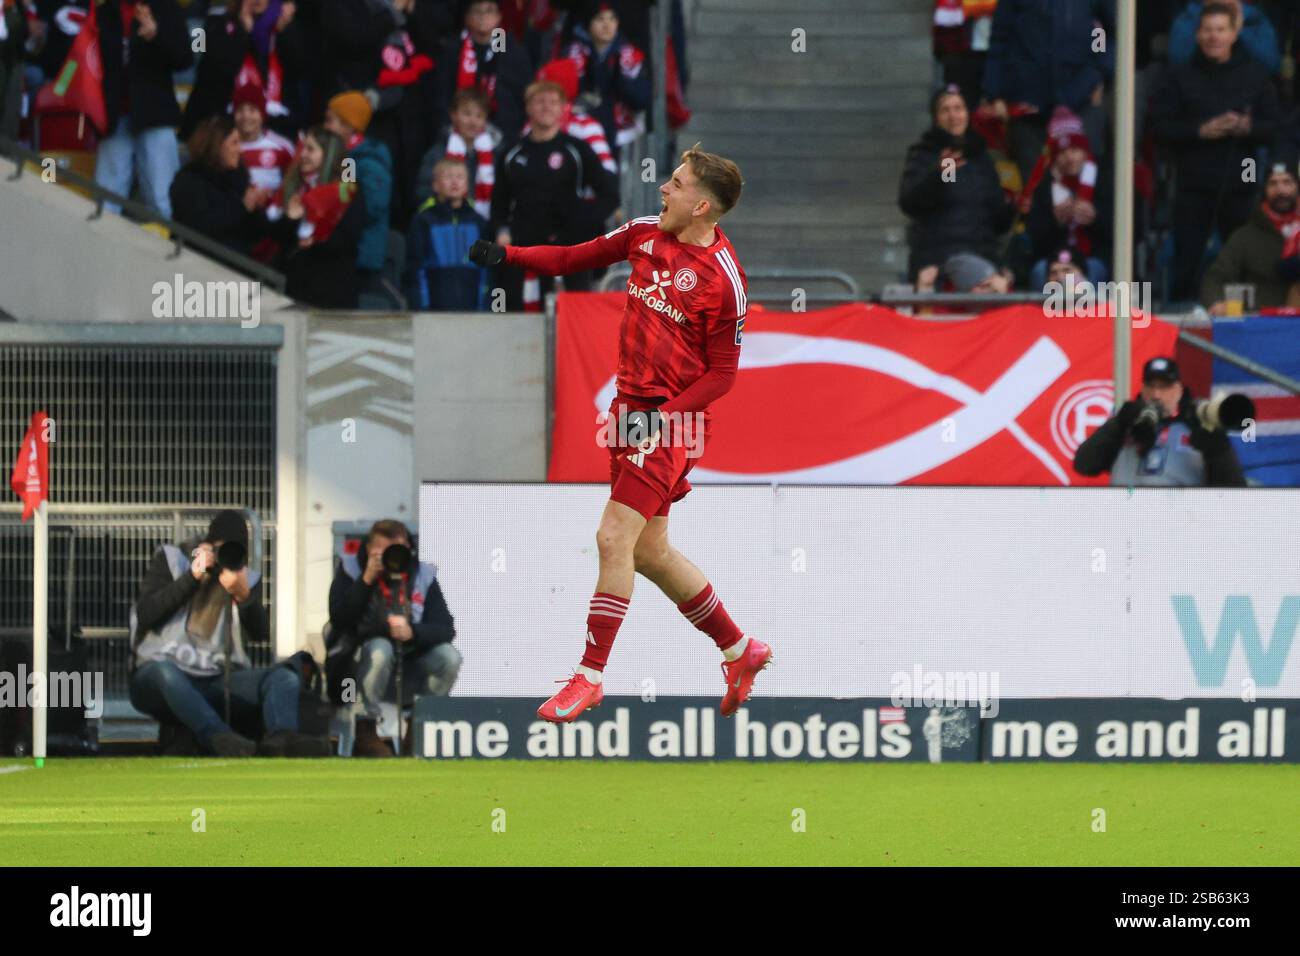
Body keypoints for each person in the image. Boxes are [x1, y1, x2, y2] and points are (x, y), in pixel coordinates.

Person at [468, 145, 772, 722]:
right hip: (629, 412)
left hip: (672, 421)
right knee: (649, 552)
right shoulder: (643, 233)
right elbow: (569, 258)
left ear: (701, 206)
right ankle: (739, 650)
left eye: (676, 183)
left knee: (612, 538)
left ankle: (589, 676)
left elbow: (723, 375)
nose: (664, 189)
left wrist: (664, 416)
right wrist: (508, 255)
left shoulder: (724, 279)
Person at [129, 510, 330, 757]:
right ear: (207, 544)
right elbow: (147, 613)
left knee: (284, 676)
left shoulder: (243, 578)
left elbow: (260, 634)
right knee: (165, 672)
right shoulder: (174, 560)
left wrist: (244, 596)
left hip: (215, 679)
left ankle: (282, 738)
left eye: (233, 552)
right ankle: (218, 736)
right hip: (159, 676)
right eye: (219, 549)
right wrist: (192, 576)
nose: (224, 558)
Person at [1150, 1, 1283, 302]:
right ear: (1197, 34)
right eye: (1208, 30)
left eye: (1221, 30)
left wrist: (1248, 128)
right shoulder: (1179, 75)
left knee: (1247, 266)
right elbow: (1160, 127)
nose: (1214, 37)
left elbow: (1275, 126)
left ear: (1234, 34)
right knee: (1186, 265)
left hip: (1243, 180)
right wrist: (1200, 130)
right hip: (1193, 184)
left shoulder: (1255, 73)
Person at [326, 519, 460, 757]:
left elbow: (446, 628)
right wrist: (367, 578)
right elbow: (340, 621)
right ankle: (365, 729)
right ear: (369, 548)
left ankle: (419, 726)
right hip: (353, 677)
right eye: (384, 550)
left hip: (409, 667)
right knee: (380, 649)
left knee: (449, 657)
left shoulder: (423, 575)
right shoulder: (351, 569)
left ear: (408, 547)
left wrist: (413, 632)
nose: (393, 557)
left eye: (398, 549)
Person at [489, 79, 618, 309]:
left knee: (574, 311)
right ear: (528, 108)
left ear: (562, 109)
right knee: (517, 309)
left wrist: (583, 225)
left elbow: (609, 196)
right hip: (524, 245)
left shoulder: (576, 150)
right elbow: (499, 202)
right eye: (540, 102)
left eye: (552, 102)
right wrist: (502, 231)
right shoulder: (512, 153)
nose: (546, 107)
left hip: (569, 246)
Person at [979, 0, 1114, 180]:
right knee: (1034, 184)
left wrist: (1097, 71)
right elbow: (1000, 38)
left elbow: (1108, 32)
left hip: (1079, 99)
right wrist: (994, 93)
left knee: (1083, 183)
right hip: (1028, 105)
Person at [899, 85, 1014, 282]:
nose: (953, 116)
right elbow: (911, 203)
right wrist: (940, 175)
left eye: (958, 108)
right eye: (945, 110)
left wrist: (1012, 206)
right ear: (936, 118)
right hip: (939, 266)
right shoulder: (924, 153)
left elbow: (997, 219)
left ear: (967, 114)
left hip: (982, 263)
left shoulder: (981, 157)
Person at [1073, 357, 1247, 486]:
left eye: (1164, 387)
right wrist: (1118, 424)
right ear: (1143, 388)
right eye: (1151, 386)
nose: (1156, 394)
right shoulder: (1127, 423)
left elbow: (1233, 490)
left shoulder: (1197, 423)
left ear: (1178, 390)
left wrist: (1219, 451)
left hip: (1179, 517)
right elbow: (1084, 465)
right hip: (1124, 515)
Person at [93, 0, 193, 220]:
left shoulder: (167, 8)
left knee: (162, 201)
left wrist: (156, 36)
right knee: (106, 201)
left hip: (155, 115)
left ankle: (164, 244)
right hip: (115, 116)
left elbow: (185, 59)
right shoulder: (104, 11)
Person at [269, 125, 367, 308]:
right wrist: (291, 218)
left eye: (311, 149)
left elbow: (349, 238)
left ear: (328, 154)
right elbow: (277, 234)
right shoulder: (294, 185)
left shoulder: (347, 191)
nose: (303, 154)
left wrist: (316, 238)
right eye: (303, 148)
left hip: (330, 293)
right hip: (291, 287)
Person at [181, 0, 306, 141]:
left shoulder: (283, 26)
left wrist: (284, 32)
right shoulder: (216, 22)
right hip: (223, 122)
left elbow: (299, 68)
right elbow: (217, 70)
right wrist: (244, 32)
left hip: (274, 123)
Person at [1203, 159, 1300, 312]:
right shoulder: (1245, 236)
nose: (1280, 190)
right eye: (1273, 183)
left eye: (1287, 182)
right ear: (1264, 190)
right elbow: (1215, 277)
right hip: (1261, 320)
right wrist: (1215, 302)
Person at [435, 0, 534, 150]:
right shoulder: (454, 49)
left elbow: (523, 94)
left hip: (504, 134)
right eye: (477, 11)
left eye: (489, 10)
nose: (483, 16)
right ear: (467, 18)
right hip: (459, 132)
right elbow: (442, 94)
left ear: (499, 16)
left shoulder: (511, 50)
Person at [170, 115, 274, 256]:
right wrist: (242, 207)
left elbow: (256, 234)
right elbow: (198, 227)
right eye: (234, 143)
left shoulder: (239, 180)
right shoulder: (189, 180)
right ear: (217, 145)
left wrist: (256, 208)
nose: (240, 150)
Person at [558, 1, 651, 158]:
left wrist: (620, 79)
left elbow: (642, 98)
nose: (607, 25)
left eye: (612, 19)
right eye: (600, 19)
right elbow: (564, 93)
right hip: (578, 129)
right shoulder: (572, 54)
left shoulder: (629, 56)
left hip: (619, 133)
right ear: (588, 24)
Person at [324, 89, 393, 291]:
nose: (325, 127)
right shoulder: (349, 156)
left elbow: (372, 207)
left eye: (330, 121)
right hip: (343, 251)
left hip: (360, 255)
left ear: (348, 126)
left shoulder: (365, 161)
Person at [404, 157, 490, 310]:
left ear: (467, 185)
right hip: (434, 309)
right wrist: (420, 307)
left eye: (460, 177)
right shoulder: (423, 221)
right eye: (448, 176)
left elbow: (487, 271)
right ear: (435, 185)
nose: (454, 182)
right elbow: (415, 269)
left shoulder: (478, 222)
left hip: (472, 310)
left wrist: (485, 307)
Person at [413, 86, 500, 216]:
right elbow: (423, 193)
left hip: (484, 223)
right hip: (444, 221)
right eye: (467, 114)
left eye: (479, 116)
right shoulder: (437, 154)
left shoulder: (496, 155)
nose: (473, 122)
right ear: (453, 116)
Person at [1168, 0, 1280, 73]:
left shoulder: (1254, 19)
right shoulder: (1188, 17)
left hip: (1244, 88)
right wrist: (1206, 23)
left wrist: (1239, 30)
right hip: (1197, 86)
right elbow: (1178, 61)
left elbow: (1271, 65)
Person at [233, 82, 296, 192]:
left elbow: (294, 183)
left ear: (262, 114)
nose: (246, 116)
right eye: (240, 110)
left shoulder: (283, 147)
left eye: (252, 110)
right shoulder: (225, 145)